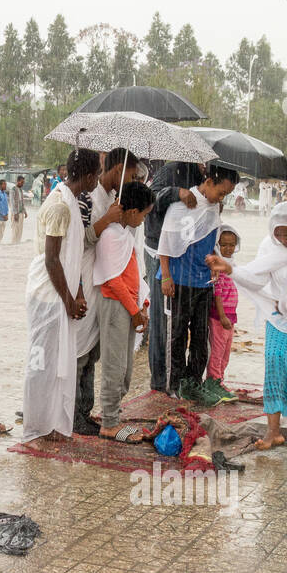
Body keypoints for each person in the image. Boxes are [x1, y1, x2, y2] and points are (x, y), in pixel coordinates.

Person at [206, 202, 287, 450]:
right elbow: (257, 277)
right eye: (279, 233)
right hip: (280, 316)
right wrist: (231, 269)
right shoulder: (270, 246)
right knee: (275, 362)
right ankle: (273, 431)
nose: (284, 240)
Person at [20, 148, 98, 444]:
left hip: (60, 293)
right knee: (41, 364)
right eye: (98, 175)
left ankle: (53, 422)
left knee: (57, 363)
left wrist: (77, 294)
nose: (98, 180)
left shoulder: (72, 203)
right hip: (46, 296)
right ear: (90, 177)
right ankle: (37, 424)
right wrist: (68, 300)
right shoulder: (60, 205)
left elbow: (71, 257)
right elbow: (52, 260)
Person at [72, 148, 141, 437]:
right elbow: (78, 240)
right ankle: (72, 412)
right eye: (132, 174)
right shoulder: (89, 199)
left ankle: (84, 412)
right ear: (115, 169)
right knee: (79, 351)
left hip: (103, 284)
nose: (133, 180)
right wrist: (107, 220)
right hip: (86, 278)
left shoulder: (114, 200)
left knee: (94, 350)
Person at [157, 164, 239, 403]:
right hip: (180, 279)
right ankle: (176, 384)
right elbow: (167, 241)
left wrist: (215, 264)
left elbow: (210, 239)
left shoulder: (213, 208)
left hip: (204, 281)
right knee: (178, 334)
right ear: (210, 181)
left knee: (201, 336)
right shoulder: (184, 203)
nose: (221, 198)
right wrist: (166, 276)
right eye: (221, 192)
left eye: (226, 195)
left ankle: (195, 381)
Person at [93, 181, 155, 438]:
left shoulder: (124, 234)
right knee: (114, 366)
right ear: (132, 212)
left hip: (129, 306)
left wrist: (143, 306)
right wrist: (132, 309)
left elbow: (132, 276)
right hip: (116, 305)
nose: (143, 220)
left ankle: (114, 414)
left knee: (126, 369)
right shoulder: (109, 235)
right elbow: (112, 279)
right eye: (144, 214)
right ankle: (109, 423)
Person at [143, 161, 205, 392]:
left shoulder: (202, 177)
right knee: (162, 318)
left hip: (183, 254)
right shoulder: (172, 170)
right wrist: (176, 192)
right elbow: (150, 199)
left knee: (180, 323)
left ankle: (183, 380)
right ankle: (160, 381)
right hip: (158, 249)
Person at [205, 225, 240, 398]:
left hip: (229, 316)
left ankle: (220, 381)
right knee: (218, 351)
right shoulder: (217, 267)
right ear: (217, 245)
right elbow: (217, 293)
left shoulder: (231, 265)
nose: (228, 248)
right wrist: (222, 316)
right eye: (224, 245)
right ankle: (213, 381)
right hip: (220, 317)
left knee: (226, 351)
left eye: (231, 245)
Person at [9, 176, 27, 243]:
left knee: (20, 230)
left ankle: (17, 244)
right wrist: (15, 213)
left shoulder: (21, 190)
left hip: (21, 213)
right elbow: (12, 202)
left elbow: (22, 202)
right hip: (16, 214)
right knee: (15, 230)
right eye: (22, 182)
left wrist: (25, 211)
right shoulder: (13, 189)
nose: (23, 184)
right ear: (18, 181)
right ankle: (13, 244)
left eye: (23, 182)